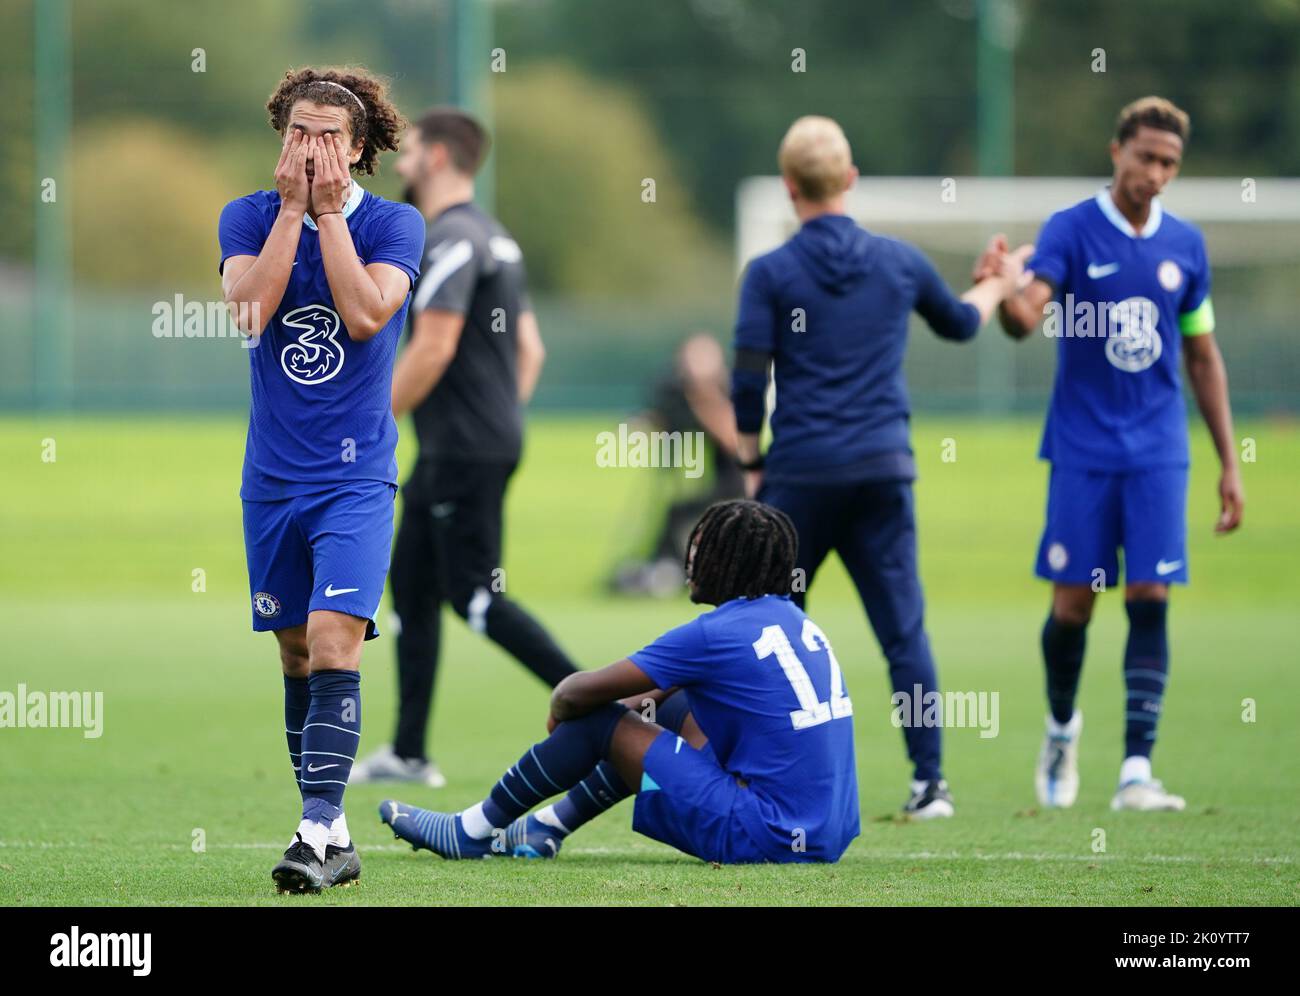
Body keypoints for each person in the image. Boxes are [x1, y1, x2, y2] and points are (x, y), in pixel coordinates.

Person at [730, 115, 1029, 819]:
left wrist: (750, 465)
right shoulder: (899, 261)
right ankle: (931, 784)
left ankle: (771, 776)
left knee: (769, 630)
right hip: (883, 468)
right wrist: (997, 283)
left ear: (788, 187)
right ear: (851, 180)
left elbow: (746, 382)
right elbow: (959, 323)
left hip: (800, 476)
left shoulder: (771, 272)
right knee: (903, 630)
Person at [975, 96, 1244, 812]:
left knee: (1150, 593)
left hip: (1158, 449)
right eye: (1146, 157)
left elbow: (1202, 354)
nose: (1156, 173)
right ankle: (1062, 728)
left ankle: (1135, 770)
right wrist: (1004, 290)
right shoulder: (1069, 230)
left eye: (1169, 164)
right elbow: (1026, 317)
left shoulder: (1185, 246)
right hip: (1083, 449)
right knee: (1075, 603)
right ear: (1116, 151)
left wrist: (1230, 461)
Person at [379, 499, 860, 865]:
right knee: (668, 706)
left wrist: (575, 717)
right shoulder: (793, 618)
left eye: (699, 550)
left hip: (764, 834)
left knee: (602, 722)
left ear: (726, 563)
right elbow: (669, 692)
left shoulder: (713, 633)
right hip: (823, 833)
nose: (689, 563)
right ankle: (546, 827)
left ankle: (472, 830)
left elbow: (575, 692)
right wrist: (636, 707)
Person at [218, 66, 425, 892]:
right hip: (271, 480)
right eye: (298, 133)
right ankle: (334, 833)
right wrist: (295, 215)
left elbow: (367, 314)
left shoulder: (396, 225)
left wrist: (330, 216)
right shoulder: (247, 215)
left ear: (360, 146)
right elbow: (247, 309)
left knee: (339, 640)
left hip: (355, 481)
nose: (310, 148)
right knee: (297, 653)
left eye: (328, 136)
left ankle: (310, 833)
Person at [351, 108, 578, 789]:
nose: (401, 161)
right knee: (413, 585)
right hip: (471, 444)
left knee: (476, 597)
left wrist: (365, 421)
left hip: (461, 450)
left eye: (412, 149)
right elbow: (530, 349)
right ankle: (409, 751)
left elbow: (434, 346)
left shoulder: (448, 238)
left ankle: (610, 700)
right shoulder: (495, 237)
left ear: (442, 156)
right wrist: (497, 420)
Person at [610, 332, 744, 597]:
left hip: (739, 486)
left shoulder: (729, 392)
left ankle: (671, 569)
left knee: (680, 514)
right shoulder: (682, 393)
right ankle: (662, 567)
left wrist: (702, 395)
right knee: (676, 510)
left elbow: (732, 439)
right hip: (720, 484)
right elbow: (662, 422)